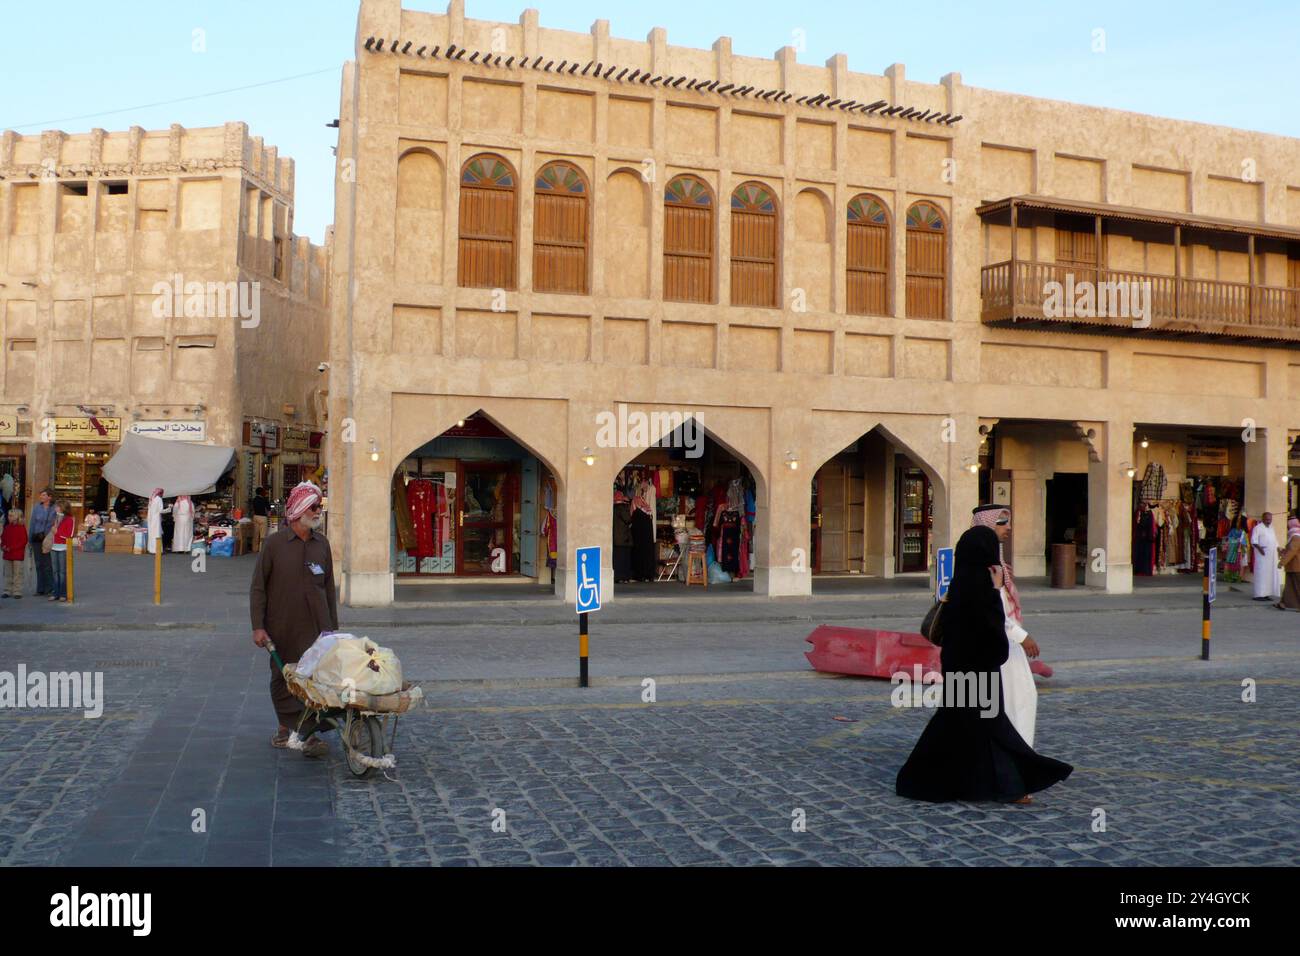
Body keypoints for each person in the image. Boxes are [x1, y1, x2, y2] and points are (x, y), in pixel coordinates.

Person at [896, 526, 1072, 804]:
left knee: (955, 726)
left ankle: (923, 780)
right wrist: (997, 590)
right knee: (992, 730)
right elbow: (994, 639)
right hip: (981, 673)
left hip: (956, 669)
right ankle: (1013, 787)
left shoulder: (958, 584)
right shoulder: (985, 589)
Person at [250, 481, 336, 758]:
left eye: (319, 507)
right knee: (283, 679)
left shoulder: (322, 544)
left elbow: (329, 589)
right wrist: (258, 626)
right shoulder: (274, 544)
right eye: (313, 507)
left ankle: (307, 735)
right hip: (282, 626)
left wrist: (333, 630)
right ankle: (285, 728)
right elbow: (258, 586)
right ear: (298, 510)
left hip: (316, 629)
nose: (317, 512)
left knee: (313, 682)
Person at [972, 504, 1041, 748]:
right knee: (1014, 702)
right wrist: (1022, 636)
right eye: (1002, 522)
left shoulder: (995, 561)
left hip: (1005, 645)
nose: (1008, 528)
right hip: (995, 647)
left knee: (1020, 701)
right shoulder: (980, 565)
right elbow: (992, 610)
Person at [28, 489, 56, 596]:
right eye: (41, 495)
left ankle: (50, 587)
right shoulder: (36, 507)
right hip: (37, 537)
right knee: (38, 564)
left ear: (50, 497)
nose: (41, 497)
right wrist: (29, 539)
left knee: (47, 564)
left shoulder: (54, 508)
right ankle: (40, 588)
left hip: (48, 538)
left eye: (44, 495)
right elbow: (32, 523)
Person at [1250, 511, 1279, 601]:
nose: (1268, 521)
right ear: (1262, 519)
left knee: (1269, 574)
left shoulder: (1271, 528)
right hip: (1262, 555)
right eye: (1266, 519)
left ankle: (1266, 594)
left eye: (1270, 519)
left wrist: (1279, 548)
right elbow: (1253, 541)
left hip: (1271, 556)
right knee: (1261, 574)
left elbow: (1275, 541)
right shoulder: (1257, 528)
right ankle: (1258, 595)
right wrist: (1260, 549)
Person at [49, 500, 75, 603]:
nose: (55, 508)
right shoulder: (55, 518)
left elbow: (70, 534)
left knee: (62, 572)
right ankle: (55, 592)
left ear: (63, 508)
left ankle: (63, 593)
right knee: (55, 571)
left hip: (63, 547)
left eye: (57, 507)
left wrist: (57, 532)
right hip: (54, 546)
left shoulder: (70, 519)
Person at [1275, 516, 1300, 610]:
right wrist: (1282, 551)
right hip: (1293, 566)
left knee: (1296, 587)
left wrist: (1282, 562)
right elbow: (1290, 550)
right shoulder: (1294, 536)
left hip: (1296, 566)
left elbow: (1292, 551)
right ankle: (1284, 603)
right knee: (1289, 587)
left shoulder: (1296, 536)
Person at [2, 509, 27, 599]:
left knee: (17, 573)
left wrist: (11, 548)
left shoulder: (21, 528)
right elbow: (3, 538)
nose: (9, 517)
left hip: (17, 554)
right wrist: (3, 546)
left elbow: (23, 541)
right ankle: (7, 590)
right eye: (8, 515)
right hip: (7, 554)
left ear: (16, 517)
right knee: (7, 573)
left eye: (11, 516)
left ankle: (17, 591)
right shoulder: (7, 527)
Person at [146, 488, 170, 555]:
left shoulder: (152, 499)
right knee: (157, 534)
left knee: (151, 534)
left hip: (151, 518)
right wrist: (169, 509)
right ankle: (157, 550)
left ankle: (151, 549)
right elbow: (160, 510)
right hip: (156, 519)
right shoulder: (159, 499)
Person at [251, 486, 271, 553]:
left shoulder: (254, 499)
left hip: (255, 517)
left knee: (255, 534)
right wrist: (269, 516)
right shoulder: (264, 499)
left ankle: (254, 549)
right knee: (263, 535)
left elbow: (253, 509)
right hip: (263, 517)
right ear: (262, 493)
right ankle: (261, 549)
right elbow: (268, 510)